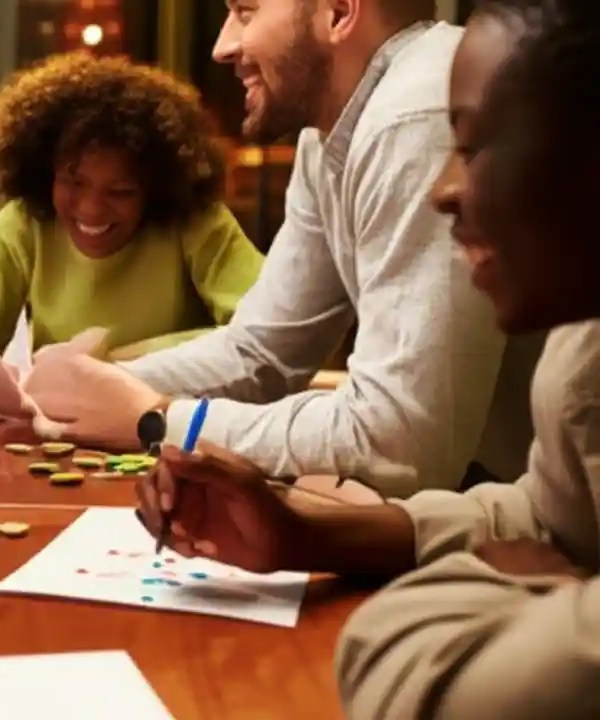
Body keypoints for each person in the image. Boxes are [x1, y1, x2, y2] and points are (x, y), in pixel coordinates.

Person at [129, 1, 600, 715]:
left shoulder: (408, 112)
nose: (443, 189)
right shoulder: (579, 345)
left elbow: (390, 663)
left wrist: (159, 420)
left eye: (472, 147)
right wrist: (308, 533)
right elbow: (548, 518)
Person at [21, 0, 543, 496]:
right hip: (484, 498)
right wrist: (89, 389)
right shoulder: (330, 134)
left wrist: (160, 422)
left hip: (542, 526)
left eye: (246, 12)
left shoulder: (413, 118)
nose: (222, 46)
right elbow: (262, 352)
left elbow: (401, 442)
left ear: (339, 12)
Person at [0, 52, 264, 411]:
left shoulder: (197, 221)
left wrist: (117, 363)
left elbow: (269, 332)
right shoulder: (27, 222)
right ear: (46, 172)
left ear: (156, 189)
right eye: (73, 182)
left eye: (120, 192)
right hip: (62, 430)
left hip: (176, 426)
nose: (91, 209)